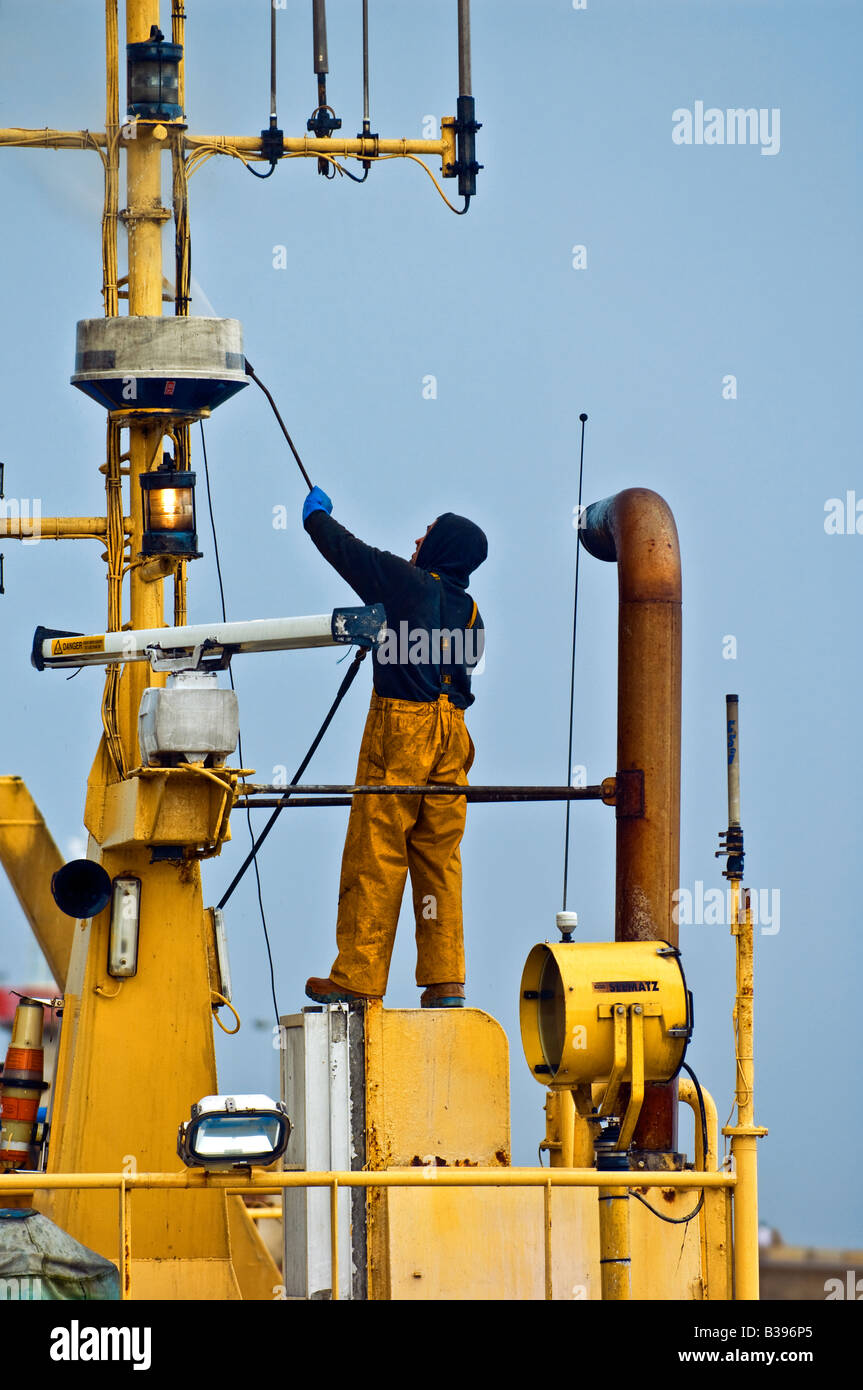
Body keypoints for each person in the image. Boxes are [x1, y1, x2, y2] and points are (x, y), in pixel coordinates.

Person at [301, 485, 487, 1008]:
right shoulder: (472, 611)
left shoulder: (409, 584)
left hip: (404, 726)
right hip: (455, 735)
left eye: (427, 533)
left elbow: (349, 554)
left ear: (441, 546)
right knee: (439, 857)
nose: (417, 538)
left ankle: (358, 979)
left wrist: (317, 519)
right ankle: (445, 979)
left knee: (377, 848)